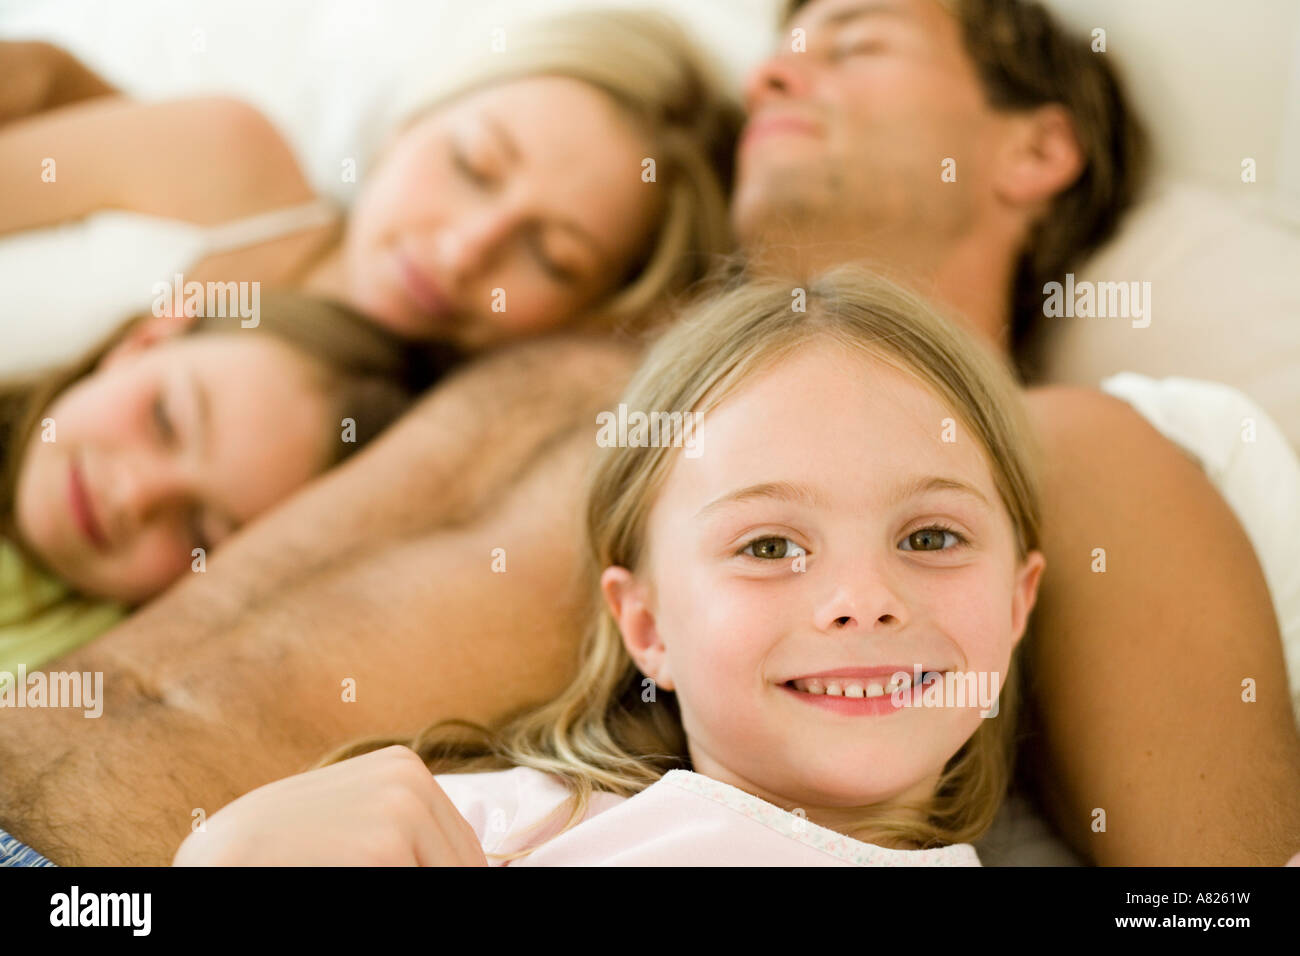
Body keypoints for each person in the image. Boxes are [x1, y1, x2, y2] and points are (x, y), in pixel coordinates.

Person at [2, 0, 1297, 869]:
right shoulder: (567, 325)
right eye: (781, 40)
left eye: (852, 40)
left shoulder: (1060, 445)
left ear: (1036, 151)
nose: (777, 65)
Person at [174, 268, 1045, 866]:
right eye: (769, 547)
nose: (864, 600)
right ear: (648, 627)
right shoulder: (487, 822)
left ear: (1018, 600)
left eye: (931, 538)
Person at [0, 9, 739, 365]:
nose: (464, 249)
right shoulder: (224, 158)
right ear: (407, 124)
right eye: (473, 165)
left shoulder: (366, 452)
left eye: (552, 258)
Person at [0, 291, 420, 674]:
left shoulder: (83, 686)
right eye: (165, 421)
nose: (134, 494)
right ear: (146, 339)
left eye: (200, 531)